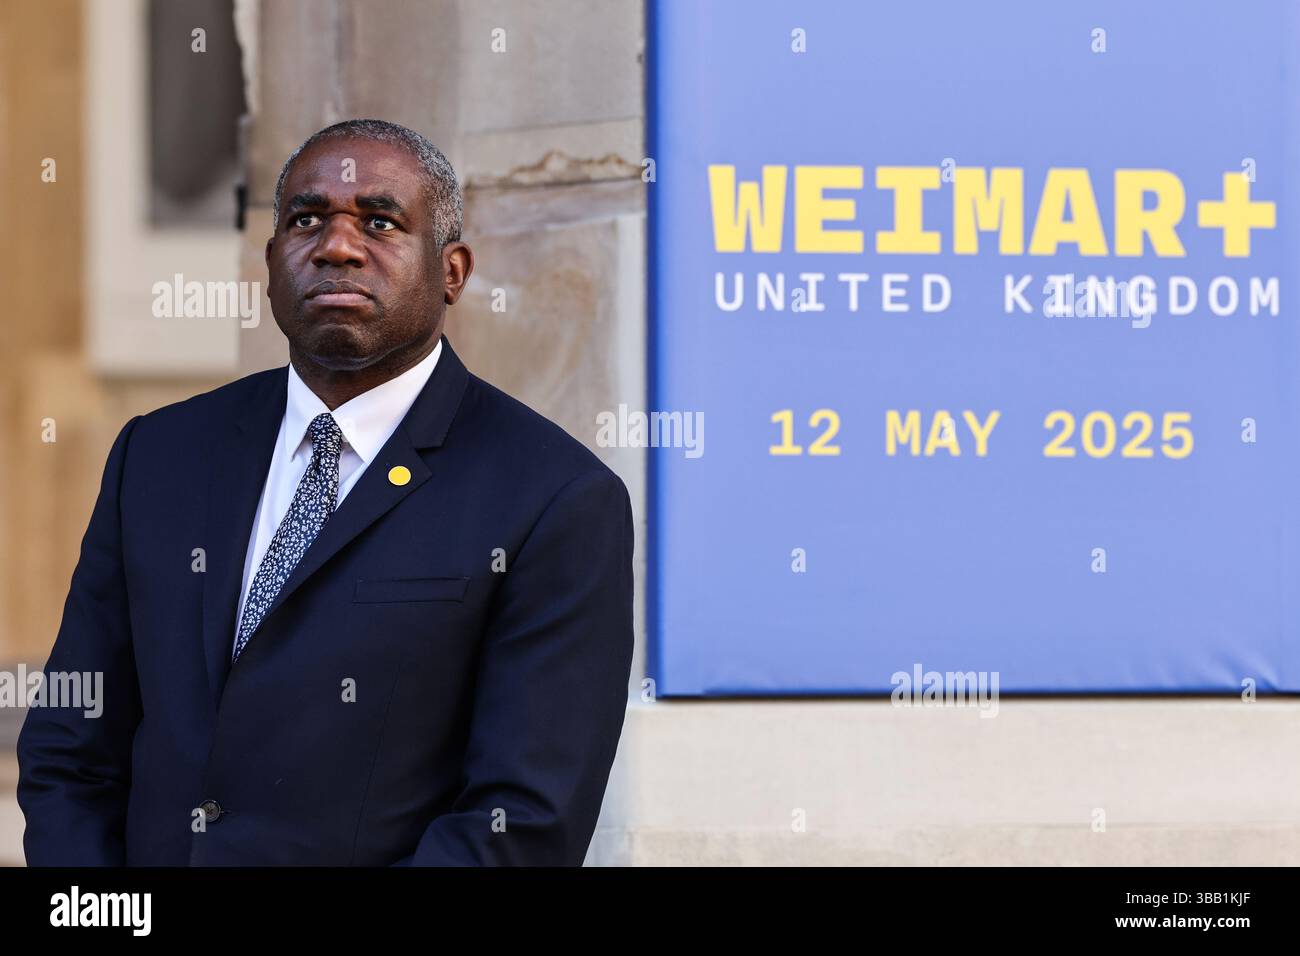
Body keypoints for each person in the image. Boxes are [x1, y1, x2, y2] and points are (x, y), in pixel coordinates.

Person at [16, 118, 635, 866]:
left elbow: (523, 819)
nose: (337, 246)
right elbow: (70, 744)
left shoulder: (553, 499)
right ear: (273, 257)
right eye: (307, 219)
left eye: (380, 221)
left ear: (454, 270)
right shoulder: (159, 455)